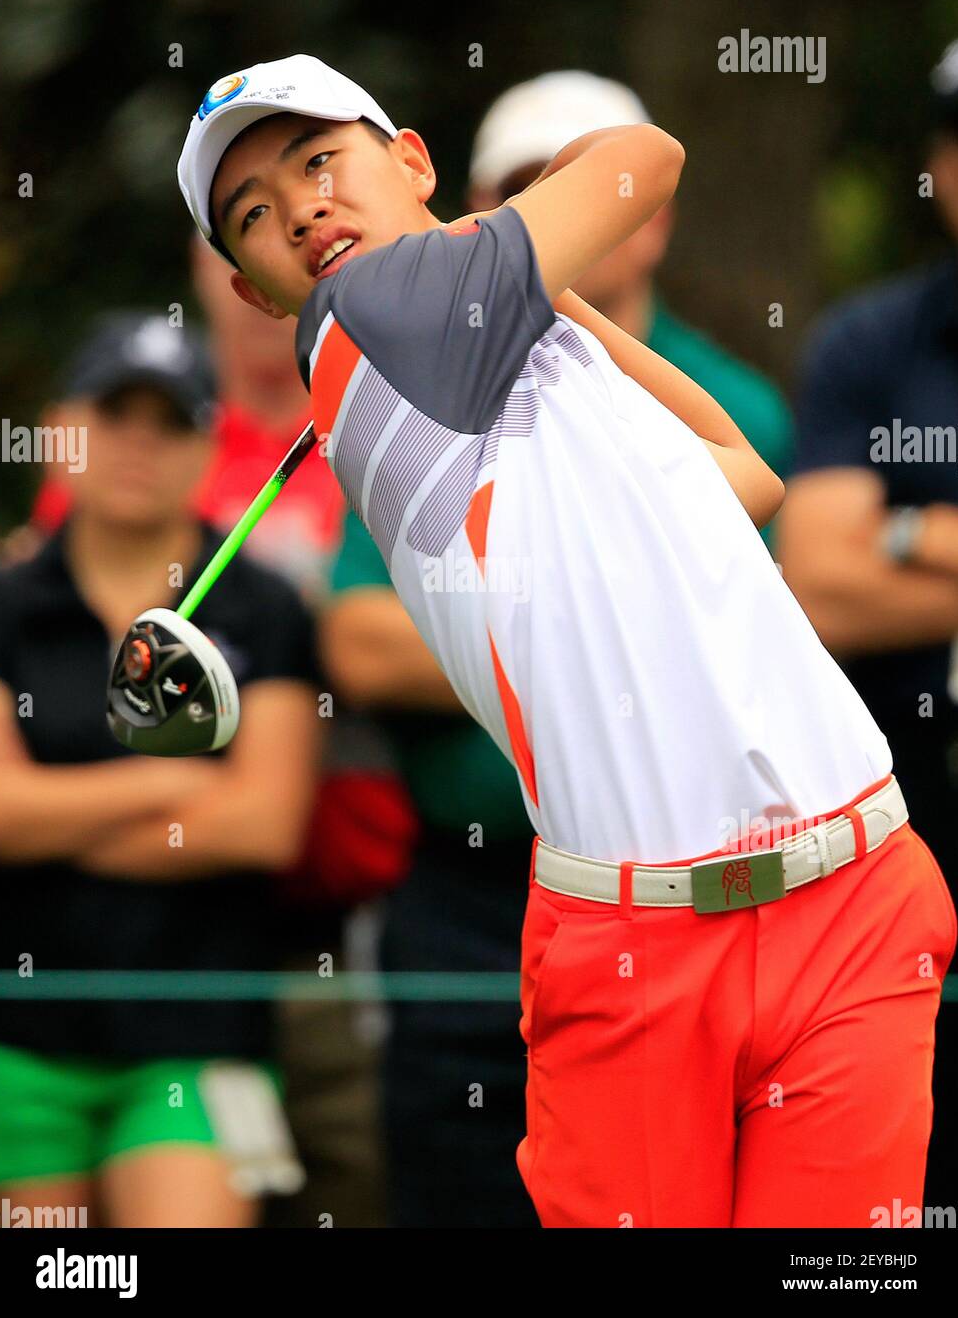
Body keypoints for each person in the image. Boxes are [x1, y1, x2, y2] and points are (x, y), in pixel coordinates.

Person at [176, 53, 956, 1228]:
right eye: (255, 216)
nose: (301, 211)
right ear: (257, 292)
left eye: (319, 161)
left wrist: (555, 296)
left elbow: (742, 480)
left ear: (411, 159)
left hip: (851, 891)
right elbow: (646, 160)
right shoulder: (367, 315)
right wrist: (506, 241)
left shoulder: (527, 344)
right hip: (638, 948)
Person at [322, 69, 793, 1228]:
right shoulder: (378, 394)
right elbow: (362, 644)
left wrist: (535, 624)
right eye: (517, 194)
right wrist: (585, 628)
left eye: (561, 186)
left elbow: (743, 565)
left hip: (703, 890)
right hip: (468, 890)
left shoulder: (728, 395)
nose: (544, 217)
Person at [0, 312, 319, 1226]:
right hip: (15, 1034)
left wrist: (48, 817)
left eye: (170, 421)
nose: (138, 443)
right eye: (112, 414)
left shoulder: (263, 607)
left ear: (209, 444)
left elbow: (264, 825)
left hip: (198, 1035)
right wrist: (172, 784)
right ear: (61, 428)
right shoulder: (0, 603)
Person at [778, 34, 958, 1206]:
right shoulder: (870, 340)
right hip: (913, 825)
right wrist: (879, 545)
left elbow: (857, 550)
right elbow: (818, 584)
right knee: (903, 1186)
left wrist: (907, 526)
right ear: (941, 167)